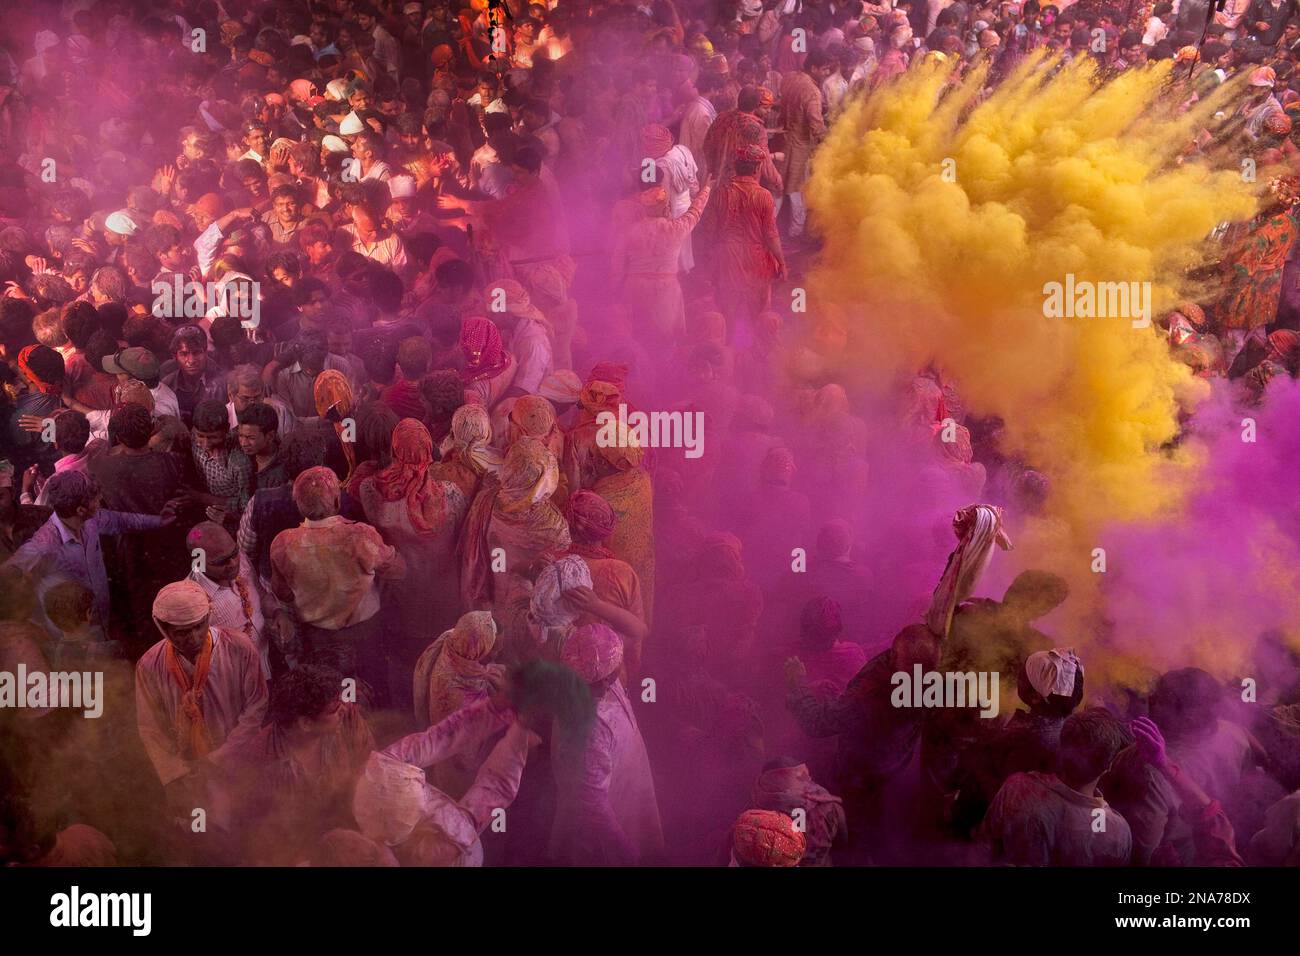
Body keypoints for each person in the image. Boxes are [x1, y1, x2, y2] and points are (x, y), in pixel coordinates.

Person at [270, 466, 407, 704]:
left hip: (317, 637)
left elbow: (282, 593)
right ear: (336, 501)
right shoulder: (361, 536)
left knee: (327, 702)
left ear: (299, 505)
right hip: (365, 633)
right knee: (374, 692)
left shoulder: (283, 543)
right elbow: (398, 570)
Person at [134, 581, 268, 815]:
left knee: (247, 821)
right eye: (183, 632)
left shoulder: (239, 648)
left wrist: (219, 758)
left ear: (209, 617)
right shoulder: (149, 665)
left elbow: (256, 707)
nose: (194, 637)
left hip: (237, 761)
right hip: (187, 771)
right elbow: (150, 728)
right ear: (164, 629)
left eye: (200, 625)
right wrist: (176, 774)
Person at [358, 418, 467, 699]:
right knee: (444, 660)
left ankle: (409, 705)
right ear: (429, 451)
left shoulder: (372, 492)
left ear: (394, 451)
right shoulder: (451, 495)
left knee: (407, 660)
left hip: (402, 591)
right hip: (445, 592)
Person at [550, 622, 664, 865]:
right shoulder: (586, 729)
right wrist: (626, 852)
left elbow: (639, 629)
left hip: (628, 789)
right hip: (608, 821)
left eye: (608, 676)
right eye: (595, 681)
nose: (604, 684)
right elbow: (593, 806)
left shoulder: (599, 677)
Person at [5, 471, 179, 630]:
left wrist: (160, 521)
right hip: (72, 638)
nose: (100, 500)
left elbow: (122, 521)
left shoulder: (92, 520)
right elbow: (8, 572)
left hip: (101, 623)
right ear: (80, 510)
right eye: (95, 499)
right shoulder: (44, 545)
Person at [979, 708, 1134, 866]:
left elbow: (983, 847)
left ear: (1062, 746)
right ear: (1107, 766)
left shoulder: (1017, 788)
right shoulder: (1118, 832)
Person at [708, 145, 786, 334]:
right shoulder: (763, 196)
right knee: (759, 313)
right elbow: (770, 234)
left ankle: (729, 351)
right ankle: (757, 354)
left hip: (727, 257)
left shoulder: (720, 193)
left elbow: (710, 230)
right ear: (757, 168)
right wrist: (781, 262)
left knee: (727, 311)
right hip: (756, 259)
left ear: (735, 166)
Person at [186, 521, 268, 678]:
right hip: (238, 680)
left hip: (267, 660)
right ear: (198, 562)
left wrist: (277, 613)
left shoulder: (242, 559)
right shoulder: (192, 600)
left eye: (234, 553)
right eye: (221, 561)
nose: (233, 563)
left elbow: (262, 595)